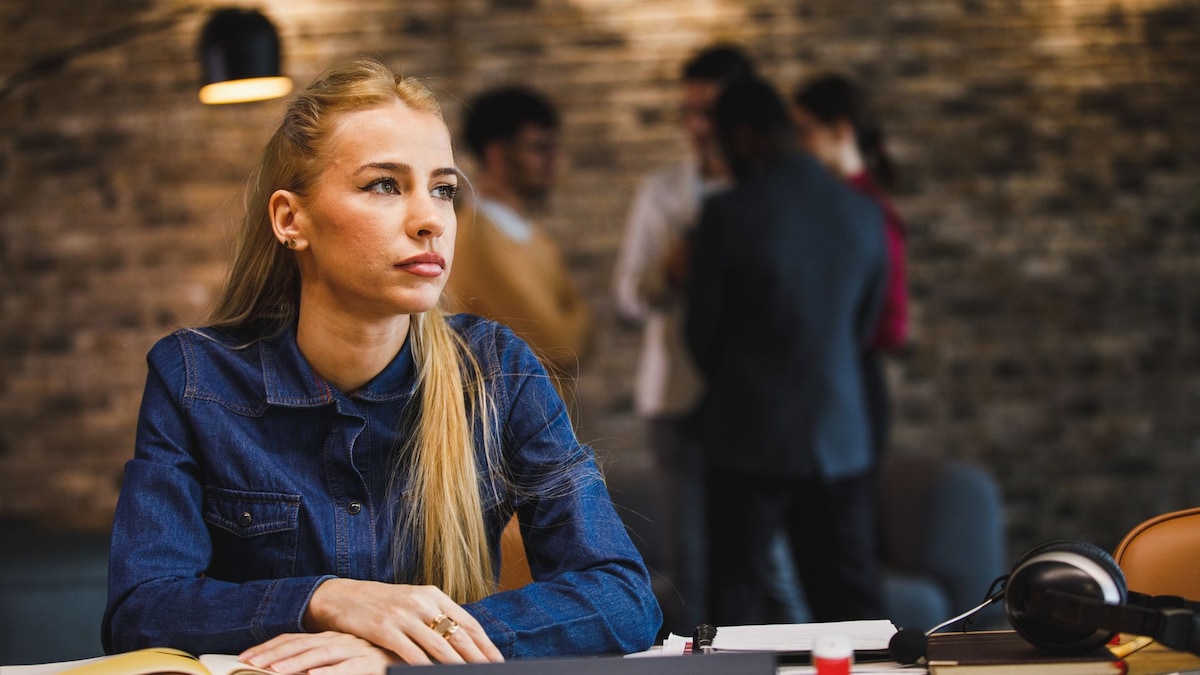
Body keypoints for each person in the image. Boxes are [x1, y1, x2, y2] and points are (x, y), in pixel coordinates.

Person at [102, 59, 661, 672]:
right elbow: (142, 608)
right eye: (384, 185)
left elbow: (623, 596)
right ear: (291, 219)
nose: (430, 221)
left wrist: (396, 645)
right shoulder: (196, 377)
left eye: (443, 189)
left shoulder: (497, 371)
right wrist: (331, 600)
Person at [684, 75, 888, 626]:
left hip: (747, 433)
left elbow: (702, 332)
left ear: (745, 136)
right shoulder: (865, 213)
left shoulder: (729, 214)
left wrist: (743, 378)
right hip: (839, 435)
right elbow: (865, 330)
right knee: (851, 605)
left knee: (738, 602)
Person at [611, 44, 757, 633]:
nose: (698, 126)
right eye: (688, 111)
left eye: (711, 111)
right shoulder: (662, 191)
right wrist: (667, 273)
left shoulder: (767, 196)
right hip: (676, 400)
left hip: (755, 406)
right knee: (689, 565)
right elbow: (625, 298)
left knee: (756, 562)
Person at [442, 86, 592, 400]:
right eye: (539, 148)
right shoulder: (477, 239)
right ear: (497, 154)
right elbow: (562, 348)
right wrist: (579, 320)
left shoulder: (530, 234)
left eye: (554, 147)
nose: (554, 160)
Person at [792, 73, 909, 462]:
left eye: (804, 131)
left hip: (853, 389)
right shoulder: (815, 204)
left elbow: (893, 326)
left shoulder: (870, 212)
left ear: (841, 131)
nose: (795, 145)